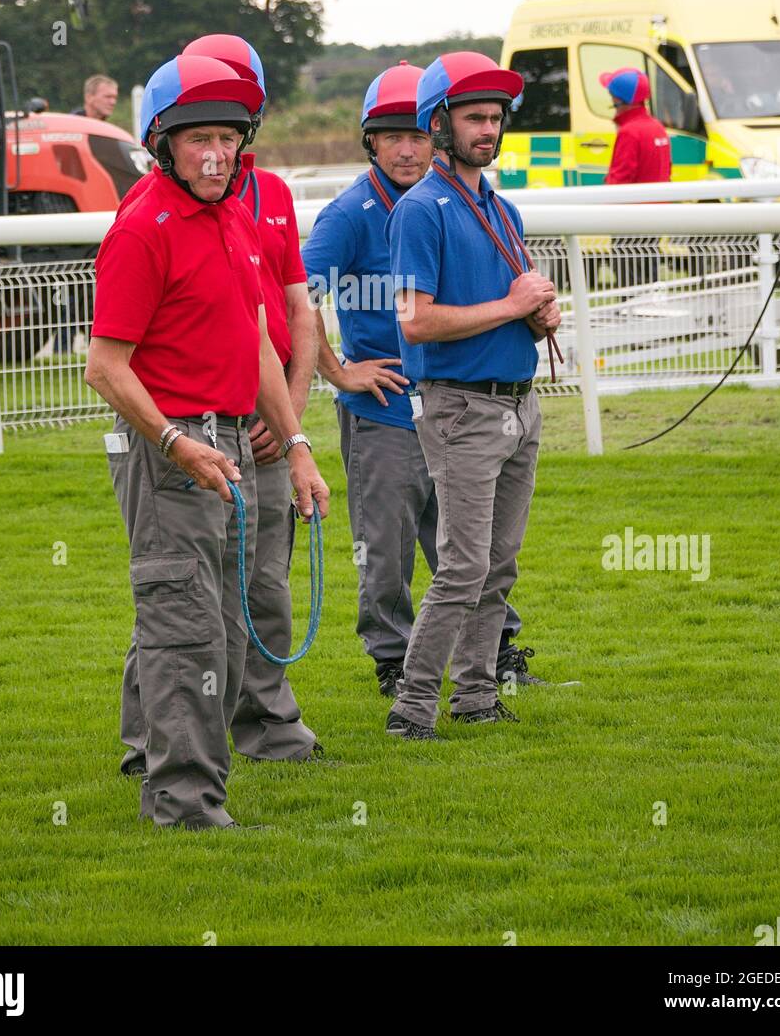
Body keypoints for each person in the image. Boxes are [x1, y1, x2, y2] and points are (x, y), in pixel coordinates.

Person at [85, 53, 329, 830]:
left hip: (229, 442)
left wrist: (296, 445)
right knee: (185, 629)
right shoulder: (141, 228)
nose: (217, 153)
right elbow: (104, 366)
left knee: (222, 630)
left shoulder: (234, 217)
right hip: (171, 450)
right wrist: (174, 443)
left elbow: (258, 339)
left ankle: (184, 776)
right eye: (199, 139)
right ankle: (183, 804)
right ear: (163, 143)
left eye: (229, 136)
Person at [302, 63, 537, 699]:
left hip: (452, 400)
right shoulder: (349, 215)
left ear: (435, 133)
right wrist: (338, 370)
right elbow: (297, 299)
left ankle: (493, 655)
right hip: (382, 410)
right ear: (369, 142)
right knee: (387, 549)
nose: (407, 148)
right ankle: (393, 663)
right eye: (390, 136)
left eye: (416, 134)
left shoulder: (462, 203)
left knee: (467, 544)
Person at [385, 52, 564, 740]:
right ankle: (411, 709)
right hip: (462, 406)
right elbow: (415, 320)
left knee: (498, 564)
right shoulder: (421, 209)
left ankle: (477, 697)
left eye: (494, 117)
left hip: (519, 402)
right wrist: (510, 303)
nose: (487, 129)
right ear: (440, 123)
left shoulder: (500, 203)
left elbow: (510, 299)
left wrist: (539, 312)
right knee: (463, 566)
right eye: (474, 117)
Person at [601, 68, 671, 288]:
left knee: (630, 280)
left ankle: (631, 317)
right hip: (655, 215)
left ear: (617, 97)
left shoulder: (630, 131)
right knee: (648, 273)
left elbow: (620, 180)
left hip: (629, 219)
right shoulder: (657, 128)